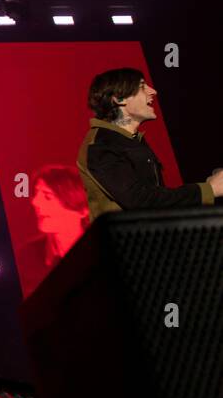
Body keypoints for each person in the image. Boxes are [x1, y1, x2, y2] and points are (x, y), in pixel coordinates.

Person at [77, 68, 222, 221]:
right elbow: (141, 200)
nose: (153, 91)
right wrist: (209, 189)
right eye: (142, 86)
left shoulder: (130, 140)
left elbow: (155, 199)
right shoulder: (100, 146)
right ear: (119, 99)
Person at [17, 165, 89, 297]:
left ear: (82, 209)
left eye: (48, 196)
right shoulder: (26, 256)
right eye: (36, 194)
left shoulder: (105, 252)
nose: (35, 202)